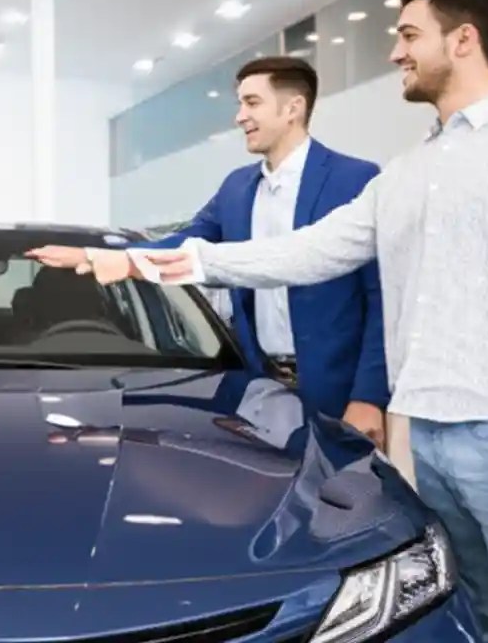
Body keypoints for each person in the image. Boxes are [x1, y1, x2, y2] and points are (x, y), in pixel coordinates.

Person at [73, 0, 488, 641]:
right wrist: (171, 262)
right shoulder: (411, 170)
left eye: (410, 34)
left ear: (464, 39)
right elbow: (310, 250)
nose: (395, 52)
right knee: (482, 616)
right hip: (432, 438)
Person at [29, 56, 390, 445]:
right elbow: (187, 242)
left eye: (252, 103)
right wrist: (94, 257)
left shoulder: (355, 179)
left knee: (343, 498)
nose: (239, 116)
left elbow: (381, 298)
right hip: (257, 388)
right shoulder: (236, 187)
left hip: (337, 391)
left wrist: (368, 396)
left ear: (292, 108)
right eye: (240, 104)